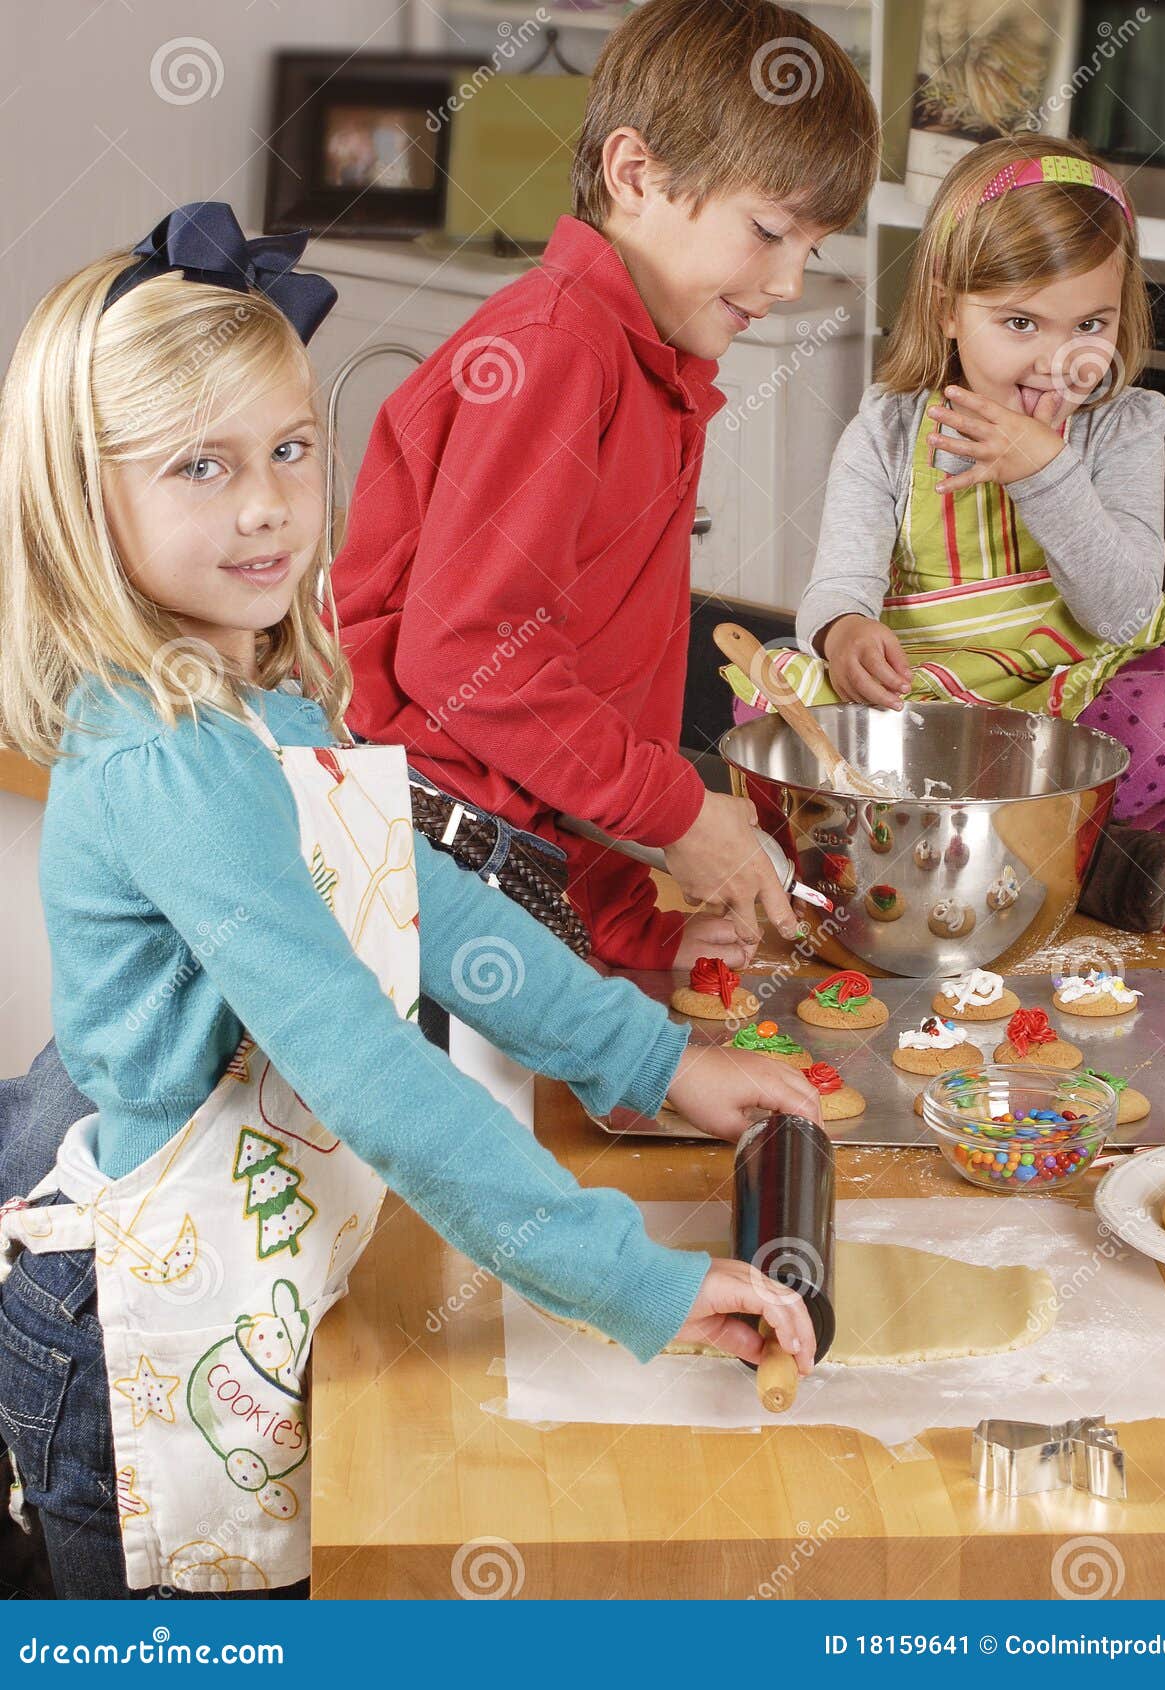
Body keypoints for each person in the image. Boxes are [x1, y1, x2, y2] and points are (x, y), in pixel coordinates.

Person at [0, 204, 819, 1599]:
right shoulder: (173, 758)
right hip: (136, 1336)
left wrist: (657, 1060)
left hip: (246, 1282)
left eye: (288, 450)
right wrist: (632, 1279)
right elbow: (366, 1067)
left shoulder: (256, 696)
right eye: (200, 466)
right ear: (88, 497)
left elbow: (431, 902)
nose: (264, 502)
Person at [331, 0, 881, 969]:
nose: (791, 281)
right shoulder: (555, 352)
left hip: (511, 862)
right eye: (768, 231)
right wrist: (675, 813)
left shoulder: (656, 370)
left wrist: (640, 932)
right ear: (635, 175)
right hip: (421, 870)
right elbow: (465, 659)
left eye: (814, 248)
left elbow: (576, 719)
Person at [724, 134, 1165, 834]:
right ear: (948, 308)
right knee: (771, 703)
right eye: (1019, 322)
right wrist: (846, 632)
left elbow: (1123, 613)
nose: (1059, 360)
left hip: (1066, 711)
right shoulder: (886, 434)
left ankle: (1025, 844)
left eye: (1090, 324)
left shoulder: (1122, 428)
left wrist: (1046, 472)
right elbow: (838, 583)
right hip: (922, 711)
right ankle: (991, 835)